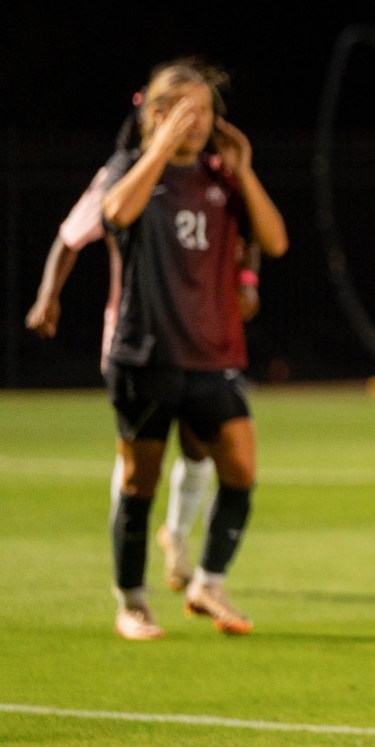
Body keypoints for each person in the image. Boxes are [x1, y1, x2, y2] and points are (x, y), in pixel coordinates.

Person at [98, 59, 288, 640]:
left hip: (215, 354)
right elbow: (114, 214)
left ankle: (208, 582)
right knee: (140, 482)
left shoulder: (221, 178)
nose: (201, 122)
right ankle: (132, 602)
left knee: (241, 468)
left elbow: (275, 241)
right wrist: (159, 147)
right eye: (188, 110)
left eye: (207, 111)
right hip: (147, 356)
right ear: (157, 113)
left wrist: (246, 171)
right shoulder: (131, 170)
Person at [28, 138, 261, 592]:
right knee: (139, 464)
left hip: (204, 345)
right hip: (140, 347)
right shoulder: (126, 173)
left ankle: (175, 536)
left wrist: (247, 281)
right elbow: (72, 234)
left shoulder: (220, 173)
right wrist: (47, 295)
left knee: (200, 447)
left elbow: (252, 233)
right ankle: (130, 575)